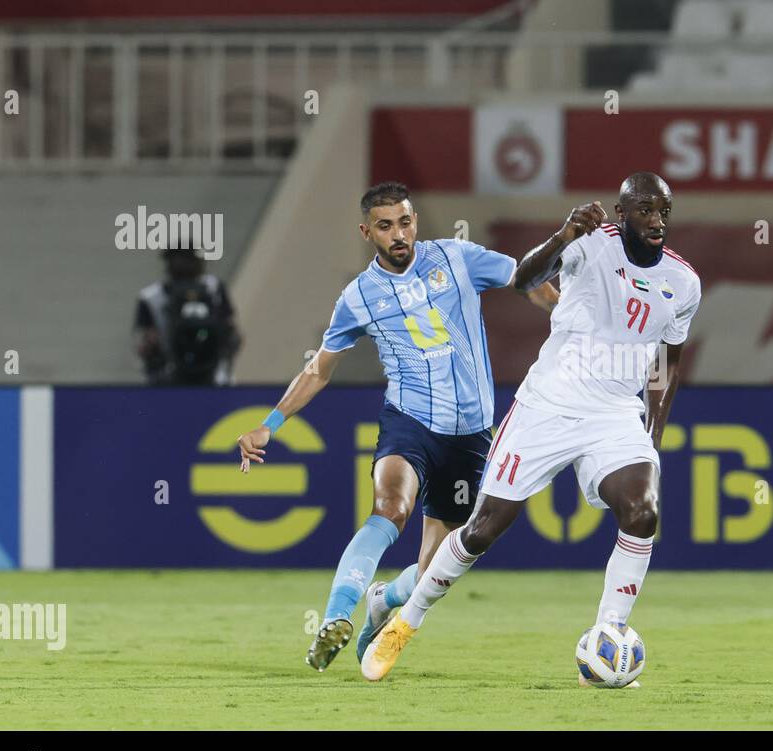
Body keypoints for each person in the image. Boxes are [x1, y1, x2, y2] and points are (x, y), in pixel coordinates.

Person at [361, 172, 701, 687]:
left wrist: (651, 437)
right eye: (646, 210)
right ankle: (407, 619)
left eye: (664, 211)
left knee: (643, 509)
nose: (657, 221)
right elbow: (523, 279)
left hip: (614, 414)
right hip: (549, 402)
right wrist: (564, 234)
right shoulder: (589, 243)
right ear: (623, 212)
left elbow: (667, 364)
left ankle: (608, 634)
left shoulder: (684, 283)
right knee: (482, 529)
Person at [235, 181, 557, 672]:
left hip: (471, 433)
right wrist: (269, 424)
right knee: (391, 508)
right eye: (385, 226)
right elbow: (319, 368)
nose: (398, 233)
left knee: (436, 569)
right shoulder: (359, 296)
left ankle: (383, 601)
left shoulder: (457, 258)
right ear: (367, 232)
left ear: (414, 222)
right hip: (409, 420)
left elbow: (527, 278)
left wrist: (565, 311)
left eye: (405, 222)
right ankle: (335, 617)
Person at [134, 247, 241, 385]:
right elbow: (143, 340)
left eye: (191, 259)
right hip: (168, 372)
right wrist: (151, 345)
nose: (186, 265)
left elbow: (229, 324)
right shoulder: (151, 297)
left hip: (214, 371)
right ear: (169, 263)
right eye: (180, 259)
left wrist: (228, 339)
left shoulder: (214, 288)